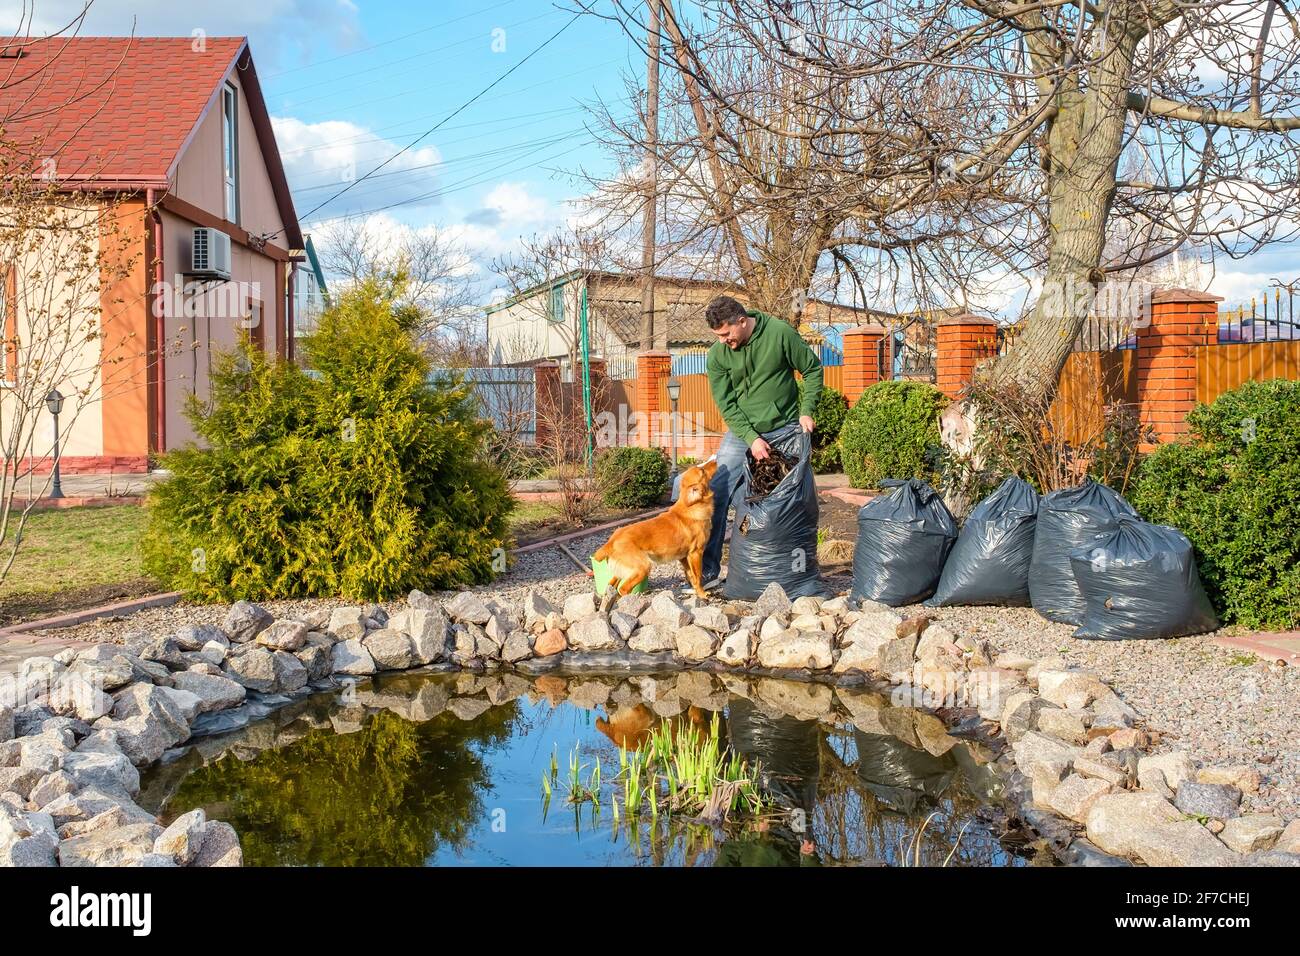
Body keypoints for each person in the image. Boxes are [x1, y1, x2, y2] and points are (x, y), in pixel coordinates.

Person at [700, 295, 822, 588]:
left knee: (790, 498)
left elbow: (813, 370)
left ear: (742, 321)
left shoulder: (780, 333)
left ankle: (789, 573)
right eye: (718, 337)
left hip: (784, 428)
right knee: (716, 493)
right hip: (742, 432)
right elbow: (726, 403)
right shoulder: (718, 354)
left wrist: (807, 412)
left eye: (727, 335)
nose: (724, 342)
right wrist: (752, 438)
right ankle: (707, 572)